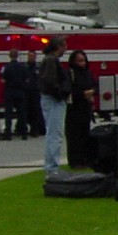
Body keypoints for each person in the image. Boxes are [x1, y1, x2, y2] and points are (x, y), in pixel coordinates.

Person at [37, 38, 71, 175]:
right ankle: (52, 168)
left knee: (53, 133)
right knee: (55, 134)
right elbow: (49, 81)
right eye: (65, 46)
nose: (66, 49)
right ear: (59, 47)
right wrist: (61, 93)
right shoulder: (51, 60)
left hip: (50, 99)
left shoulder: (48, 59)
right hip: (53, 100)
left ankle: (52, 167)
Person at [64, 49, 98, 169]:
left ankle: (85, 159)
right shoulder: (70, 73)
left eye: (83, 60)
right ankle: (75, 161)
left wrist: (93, 91)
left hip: (85, 109)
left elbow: (96, 85)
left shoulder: (88, 73)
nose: (82, 63)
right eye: (79, 61)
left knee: (85, 135)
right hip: (73, 109)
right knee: (74, 137)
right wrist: (83, 93)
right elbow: (68, 91)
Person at [0, 48, 33, 140]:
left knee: (8, 114)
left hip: (10, 92)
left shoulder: (6, 67)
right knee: (22, 113)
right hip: (20, 92)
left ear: (10, 56)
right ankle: (24, 133)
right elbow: (27, 79)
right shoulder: (22, 67)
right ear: (17, 56)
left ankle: (8, 134)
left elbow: (2, 80)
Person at [24, 51, 46, 136]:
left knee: (37, 112)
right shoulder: (25, 67)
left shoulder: (39, 67)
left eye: (33, 56)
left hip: (36, 92)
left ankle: (36, 130)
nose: (31, 57)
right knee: (28, 111)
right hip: (27, 92)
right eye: (30, 56)